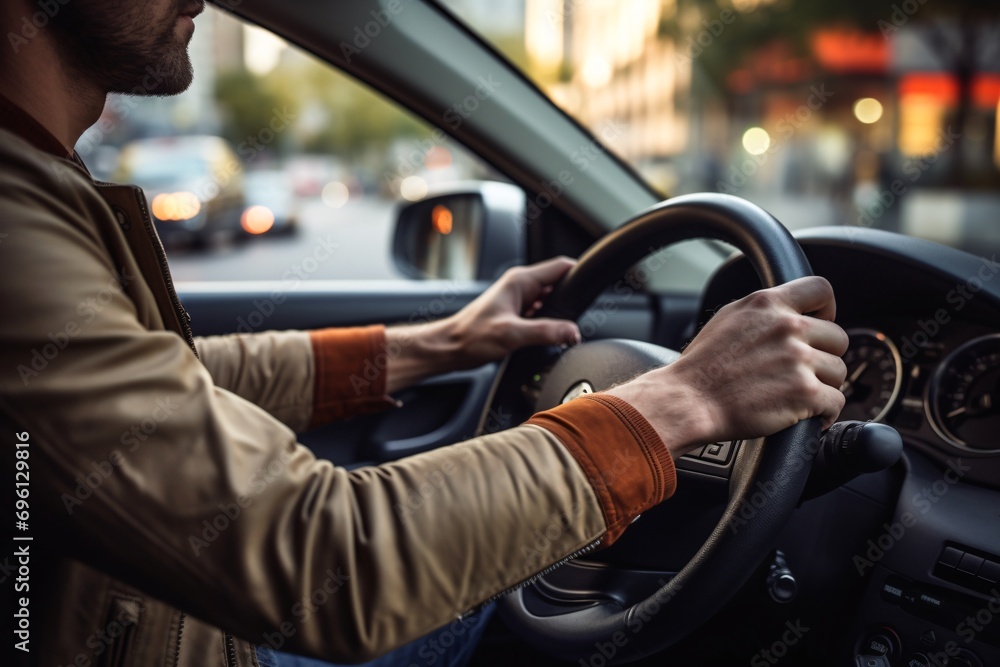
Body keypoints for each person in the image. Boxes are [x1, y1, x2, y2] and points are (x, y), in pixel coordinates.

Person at [0, 1, 849, 666]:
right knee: (498, 581)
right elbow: (322, 562)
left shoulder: (38, 181)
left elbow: (174, 382)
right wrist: (681, 399)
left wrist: (441, 343)